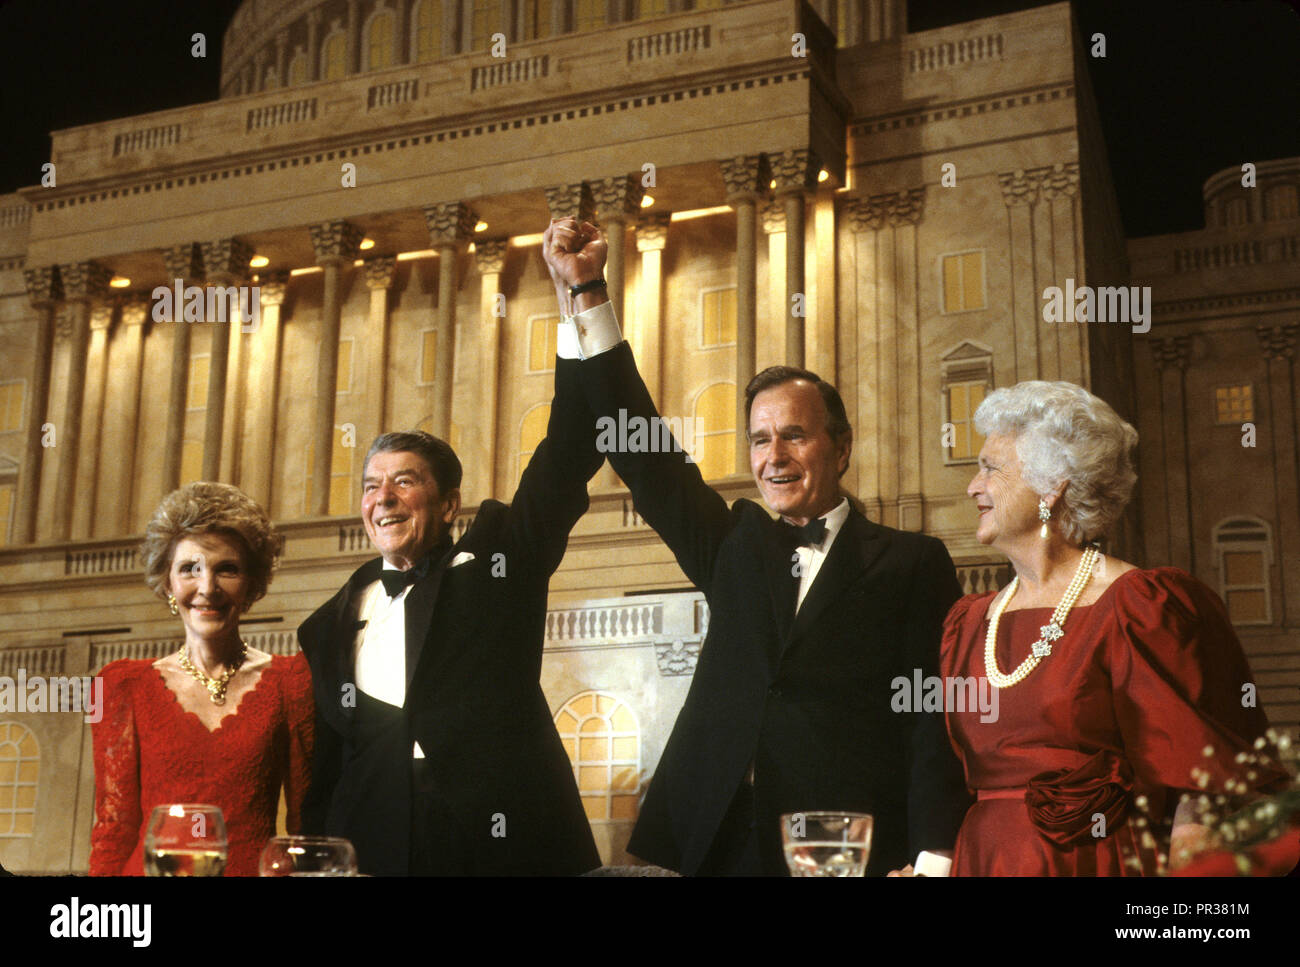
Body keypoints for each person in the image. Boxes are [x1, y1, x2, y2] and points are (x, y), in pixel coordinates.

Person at [542, 218, 970, 876]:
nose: (774, 457)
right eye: (760, 439)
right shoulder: (736, 543)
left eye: (794, 435)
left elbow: (930, 720)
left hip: (841, 845)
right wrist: (588, 292)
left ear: (842, 447)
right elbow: (640, 446)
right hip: (714, 840)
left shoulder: (912, 563)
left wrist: (934, 855)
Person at [944, 380, 1284, 875]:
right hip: (984, 861)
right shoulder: (969, 623)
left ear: (1051, 484)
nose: (974, 486)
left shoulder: (1145, 607)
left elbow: (1206, 790)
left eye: (990, 469)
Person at [297, 345, 604, 874]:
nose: (384, 499)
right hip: (370, 846)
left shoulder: (498, 565)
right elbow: (327, 769)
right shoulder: (328, 624)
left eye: (405, 481)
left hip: (495, 845)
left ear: (448, 504)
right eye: (372, 486)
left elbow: (568, 452)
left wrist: (579, 299)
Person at [90, 482, 313, 876]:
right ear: (168, 583)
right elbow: (113, 833)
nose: (207, 588)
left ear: (251, 585)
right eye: (189, 569)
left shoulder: (290, 681)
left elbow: (306, 827)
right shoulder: (121, 687)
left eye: (227, 569)